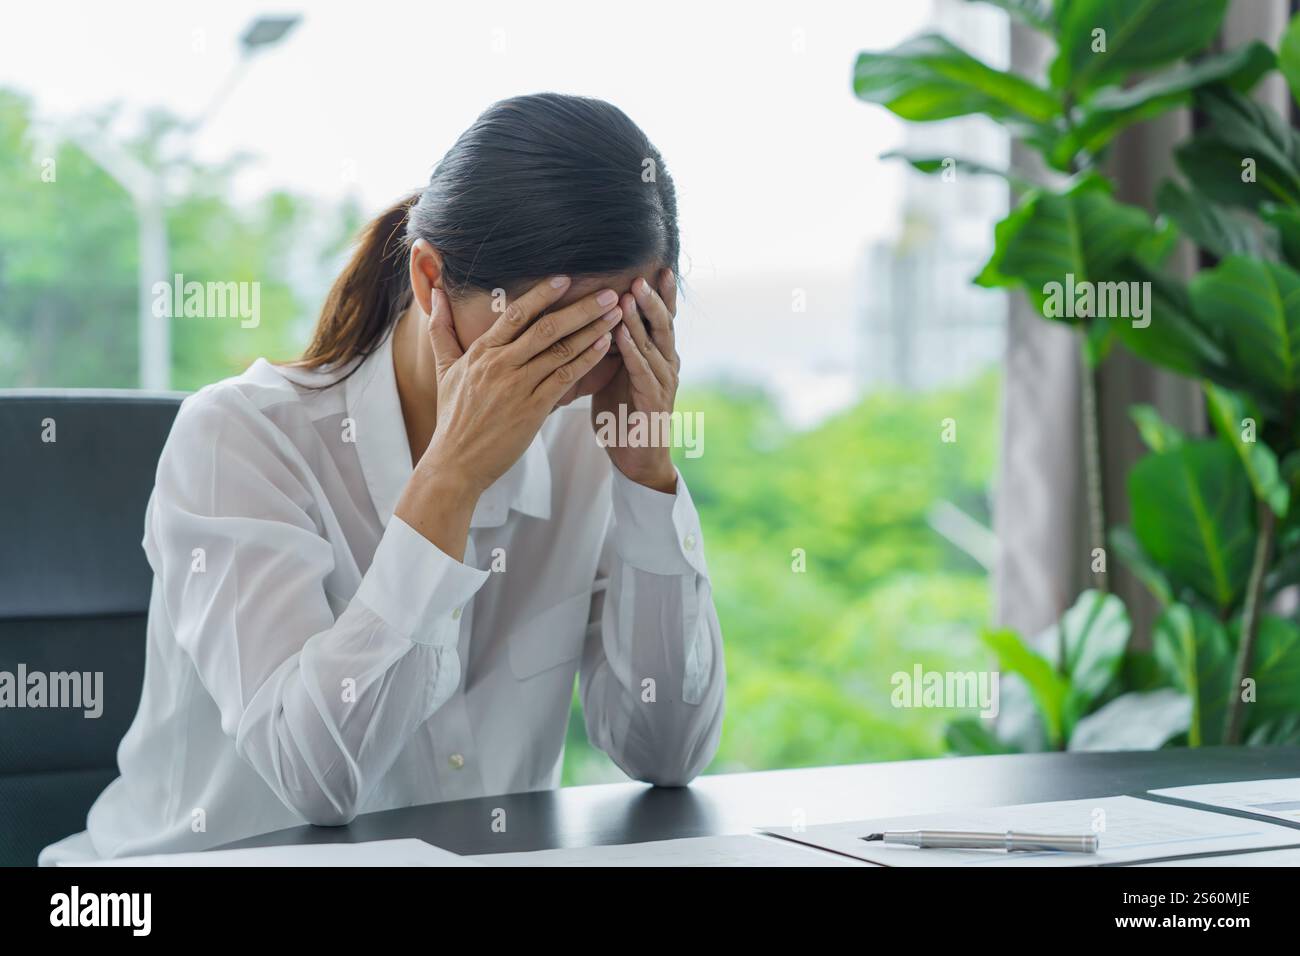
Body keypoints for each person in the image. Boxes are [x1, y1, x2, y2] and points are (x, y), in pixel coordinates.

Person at [40, 93, 724, 863]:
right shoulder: (240, 439)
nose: (581, 370)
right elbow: (315, 778)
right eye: (550, 334)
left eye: (620, 328)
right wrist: (452, 480)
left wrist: (646, 474)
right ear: (431, 279)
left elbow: (668, 753)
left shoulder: (592, 436)